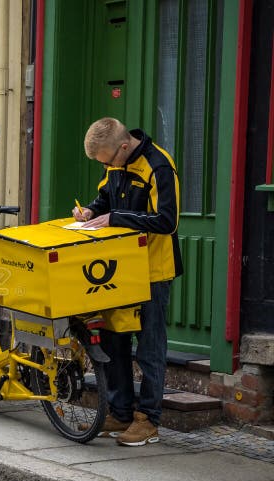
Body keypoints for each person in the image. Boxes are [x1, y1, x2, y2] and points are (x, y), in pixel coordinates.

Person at [74, 117, 182, 446]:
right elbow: (105, 200)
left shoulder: (158, 165)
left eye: (108, 161)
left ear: (123, 147)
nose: (107, 167)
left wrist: (115, 218)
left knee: (149, 347)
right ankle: (120, 413)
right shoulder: (115, 164)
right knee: (114, 341)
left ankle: (148, 420)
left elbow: (167, 220)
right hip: (117, 270)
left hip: (152, 271)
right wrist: (91, 212)